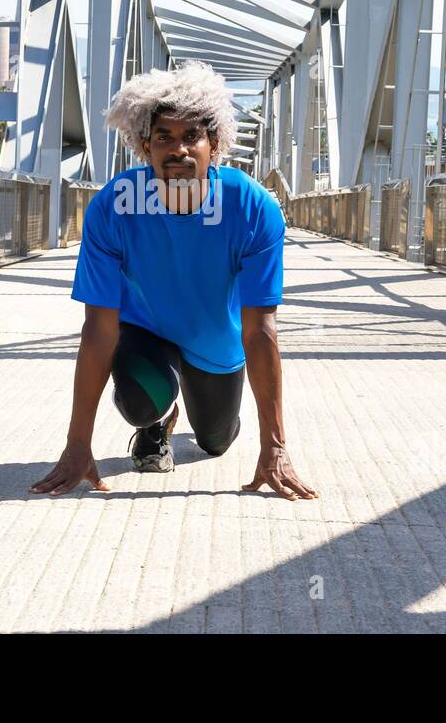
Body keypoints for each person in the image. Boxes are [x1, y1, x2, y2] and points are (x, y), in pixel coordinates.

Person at [29, 62, 318, 501]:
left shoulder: (252, 207)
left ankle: (210, 417)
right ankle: (154, 424)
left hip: (218, 345)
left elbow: (260, 330)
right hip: (145, 332)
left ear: (214, 144)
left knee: (215, 442)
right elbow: (99, 330)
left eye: (191, 137)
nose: (177, 149)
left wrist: (274, 447)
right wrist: (77, 446)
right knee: (141, 398)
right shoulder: (112, 208)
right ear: (144, 146)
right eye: (163, 137)